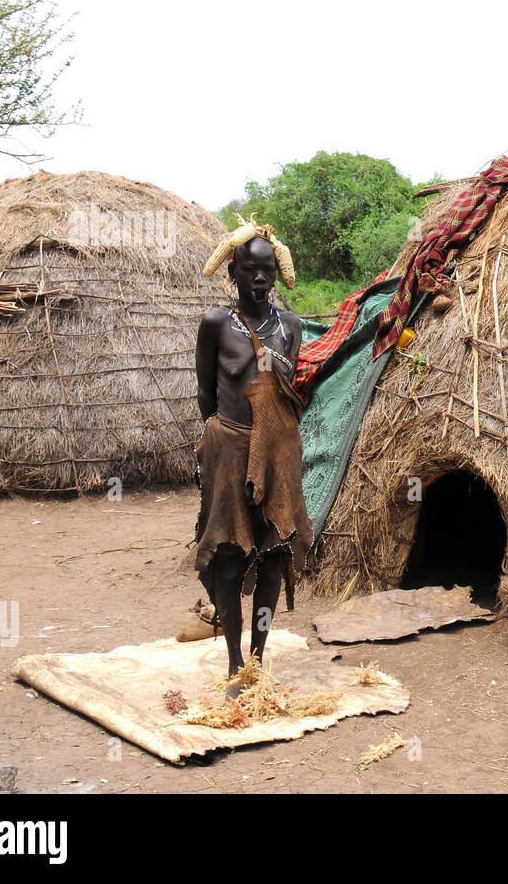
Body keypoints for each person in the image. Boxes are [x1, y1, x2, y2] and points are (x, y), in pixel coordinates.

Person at [193, 218, 312, 686]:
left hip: (279, 451)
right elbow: (206, 394)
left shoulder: (292, 327)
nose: (259, 279)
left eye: (267, 271)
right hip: (229, 448)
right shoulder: (215, 324)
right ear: (233, 273)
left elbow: (289, 390)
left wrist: (270, 439)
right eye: (249, 270)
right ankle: (234, 660)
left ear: (277, 275)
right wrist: (225, 444)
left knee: (275, 552)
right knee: (227, 554)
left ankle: (259, 655)